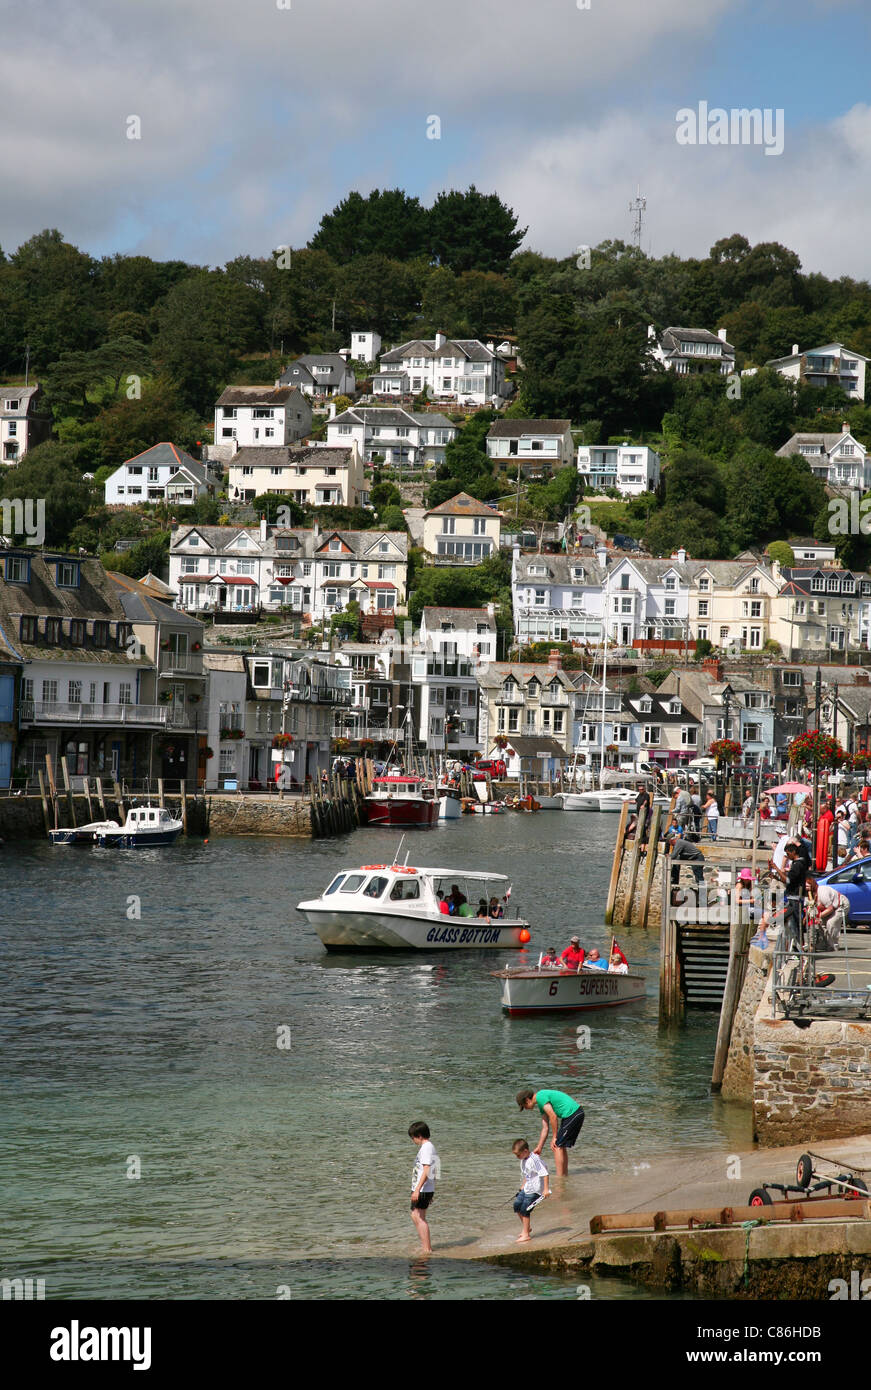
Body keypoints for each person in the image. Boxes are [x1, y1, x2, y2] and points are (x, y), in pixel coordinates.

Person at [516, 1087, 585, 1178]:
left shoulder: (540, 1097)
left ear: (527, 1100)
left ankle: (560, 1178)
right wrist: (539, 1147)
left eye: (524, 1106)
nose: (526, 1109)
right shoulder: (541, 1104)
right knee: (560, 1145)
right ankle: (564, 1175)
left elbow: (553, 1116)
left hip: (573, 1113)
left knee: (557, 1145)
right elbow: (545, 1127)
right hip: (574, 1114)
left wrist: (554, 1137)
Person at [511, 1138, 550, 1243]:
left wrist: (546, 1189)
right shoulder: (523, 1160)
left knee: (525, 1209)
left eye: (518, 1155)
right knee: (517, 1205)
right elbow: (527, 1175)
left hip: (536, 1190)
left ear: (525, 1151)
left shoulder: (534, 1160)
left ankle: (526, 1234)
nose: (517, 1157)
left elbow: (545, 1173)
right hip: (527, 1187)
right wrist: (522, 1187)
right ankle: (526, 1228)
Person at [768, 841, 807, 947]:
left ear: (793, 852)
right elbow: (789, 880)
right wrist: (776, 877)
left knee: (795, 925)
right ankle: (795, 946)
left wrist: (776, 868)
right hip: (792, 898)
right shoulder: (797, 864)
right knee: (791, 925)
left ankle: (798, 948)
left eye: (788, 854)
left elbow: (788, 880)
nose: (787, 856)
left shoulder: (798, 865)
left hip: (795, 899)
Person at [409, 1121, 439, 1253]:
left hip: (422, 1188)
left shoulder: (426, 1148)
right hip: (426, 1188)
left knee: (418, 1217)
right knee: (416, 1216)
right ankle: (425, 1246)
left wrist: (418, 1190)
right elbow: (435, 1169)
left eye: (413, 1137)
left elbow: (427, 1169)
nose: (413, 1140)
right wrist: (431, 1189)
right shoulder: (430, 1147)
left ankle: (427, 1249)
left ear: (419, 1135)